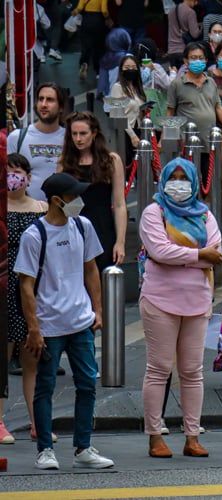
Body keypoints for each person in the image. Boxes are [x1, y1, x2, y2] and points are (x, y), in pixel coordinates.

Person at [15, 173, 114, 470]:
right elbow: (26, 285)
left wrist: (98, 310)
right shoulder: (35, 235)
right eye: (73, 196)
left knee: (87, 384)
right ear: (57, 200)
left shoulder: (83, 227)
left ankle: (83, 446)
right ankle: (45, 448)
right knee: (45, 387)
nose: (79, 201)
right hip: (49, 325)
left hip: (79, 321)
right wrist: (34, 328)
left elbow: (91, 270)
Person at [139, 158, 222, 458]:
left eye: (184, 177)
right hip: (160, 300)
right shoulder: (154, 212)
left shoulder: (205, 216)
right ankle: (154, 436)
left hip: (197, 301)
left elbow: (217, 252)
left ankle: (192, 436)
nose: (178, 183)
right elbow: (159, 251)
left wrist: (189, 256)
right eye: (172, 177)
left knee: (192, 371)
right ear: (163, 180)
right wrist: (200, 254)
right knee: (159, 369)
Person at [1, 154, 52, 445]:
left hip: (35, 290)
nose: (13, 178)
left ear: (29, 178)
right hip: (5, 287)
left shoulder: (42, 209)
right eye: (8, 173)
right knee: (3, 357)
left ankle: (38, 422)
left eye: (18, 172)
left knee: (32, 358)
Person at [57, 112, 126, 271]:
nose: (78, 139)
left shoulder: (111, 160)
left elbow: (120, 203)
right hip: (73, 226)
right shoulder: (64, 161)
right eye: (74, 134)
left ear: (94, 133)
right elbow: (59, 201)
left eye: (83, 133)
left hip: (102, 227)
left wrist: (120, 242)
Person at [167, 42, 222, 195]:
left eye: (201, 58)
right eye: (194, 58)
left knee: (210, 179)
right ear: (186, 61)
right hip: (187, 142)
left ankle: (212, 212)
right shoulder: (177, 85)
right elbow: (170, 111)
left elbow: (218, 107)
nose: (198, 61)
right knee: (188, 180)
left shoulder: (211, 82)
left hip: (209, 141)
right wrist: (166, 136)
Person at [7, 83, 66, 201]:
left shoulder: (70, 138)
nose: (44, 104)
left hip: (60, 213)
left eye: (50, 100)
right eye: (40, 99)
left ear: (61, 107)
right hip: (26, 213)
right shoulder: (17, 138)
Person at [110, 55, 146, 165]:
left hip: (138, 128)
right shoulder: (117, 87)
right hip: (125, 132)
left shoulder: (138, 88)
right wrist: (132, 135)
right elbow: (118, 114)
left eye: (133, 67)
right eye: (127, 67)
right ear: (121, 69)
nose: (130, 70)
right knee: (126, 162)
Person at [73, 0, 112, 81]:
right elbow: (104, 10)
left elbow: (79, 8)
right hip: (98, 21)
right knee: (98, 47)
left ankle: (84, 62)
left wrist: (75, 11)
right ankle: (98, 71)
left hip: (86, 21)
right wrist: (108, 18)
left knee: (86, 45)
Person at [167, 0, 202, 70]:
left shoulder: (172, 10)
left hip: (171, 50)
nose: (196, 3)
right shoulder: (190, 12)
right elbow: (195, 34)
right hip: (183, 50)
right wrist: (202, 27)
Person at [98, 27, 131, 98]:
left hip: (109, 102)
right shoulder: (128, 58)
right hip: (125, 101)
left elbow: (102, 85)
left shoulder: (105, 59)